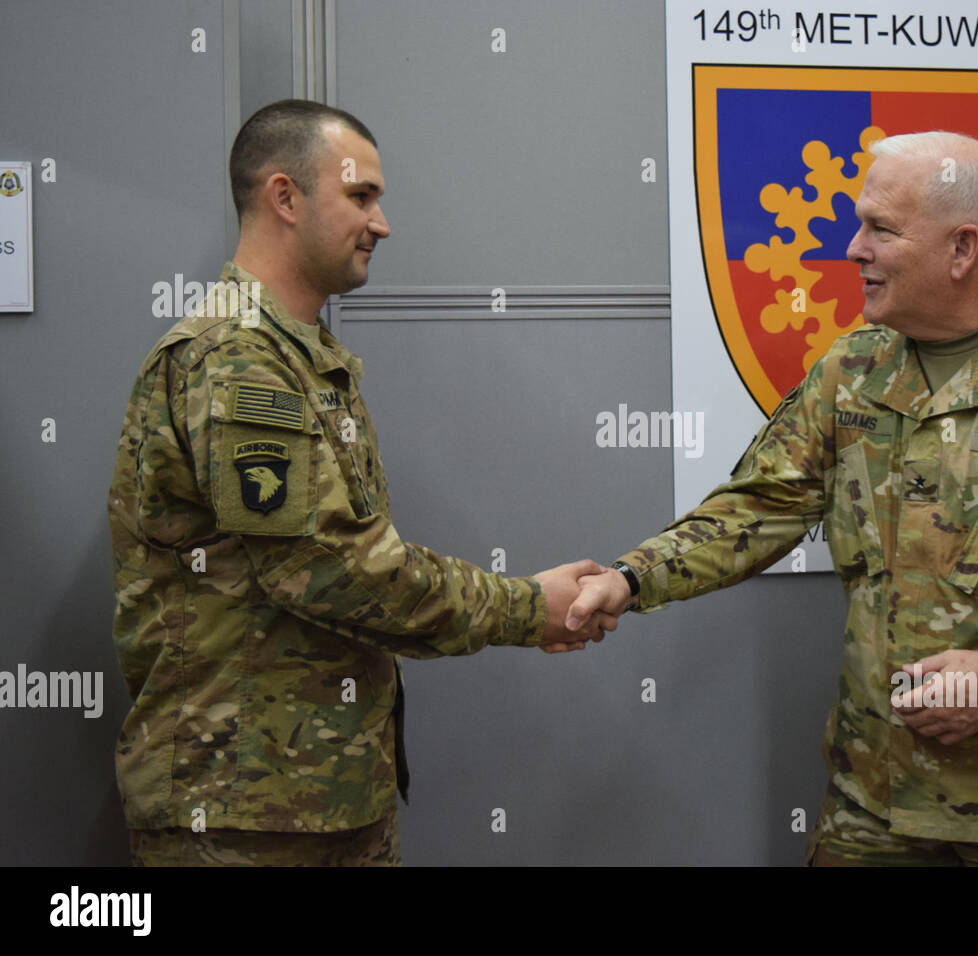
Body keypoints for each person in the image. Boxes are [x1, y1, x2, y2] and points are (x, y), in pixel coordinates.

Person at [565, 131, 978, 866]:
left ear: (961, 250)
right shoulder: (853, 369)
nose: (852, 248)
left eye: (880, 227)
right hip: (875, 802)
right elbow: (759, 507)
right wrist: (631, 577)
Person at [108, 99, 613, 866]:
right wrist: (522, 607)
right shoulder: (237, 361)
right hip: (244, 818)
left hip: (318, 801)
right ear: (285, 197)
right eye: (362, 196)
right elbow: (330, 569)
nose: (383, 224)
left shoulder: (298, 358)